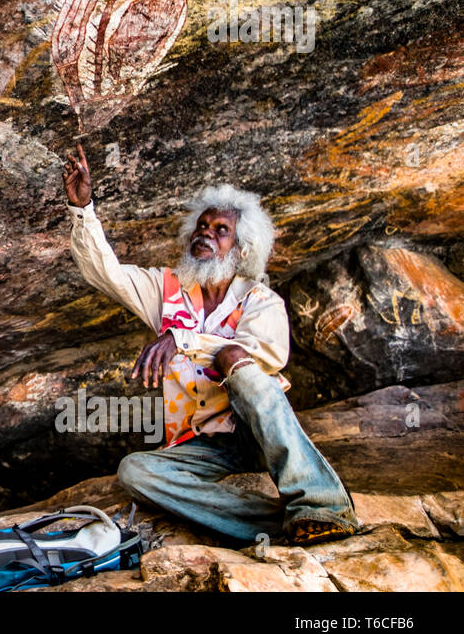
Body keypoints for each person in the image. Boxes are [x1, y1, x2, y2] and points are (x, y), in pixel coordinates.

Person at [61, 143, 358, 546]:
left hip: (254, 435)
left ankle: (322, 506)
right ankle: (276, 524)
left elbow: (267, 355)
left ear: (241, 250)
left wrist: (181, 339)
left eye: (221, 231)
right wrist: (84, 209)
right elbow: (106, 274)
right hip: (199, 445)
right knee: (134, 471)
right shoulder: (165, 289)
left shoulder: (260, 300)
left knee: (235, 357)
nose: (207, 234)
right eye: (202, 226)